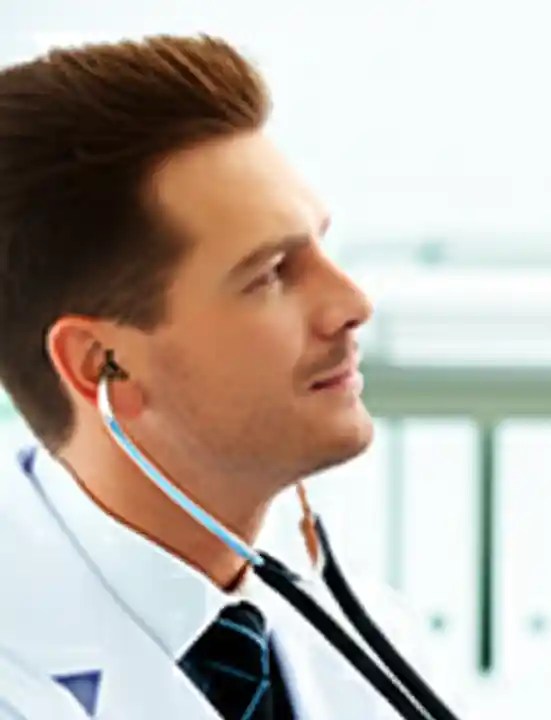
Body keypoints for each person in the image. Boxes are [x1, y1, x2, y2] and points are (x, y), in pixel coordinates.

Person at [0, 35, 457, 719]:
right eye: (271, 274)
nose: (352, 305)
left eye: (320, 247)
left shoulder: (374, 645)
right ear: (103, 366)